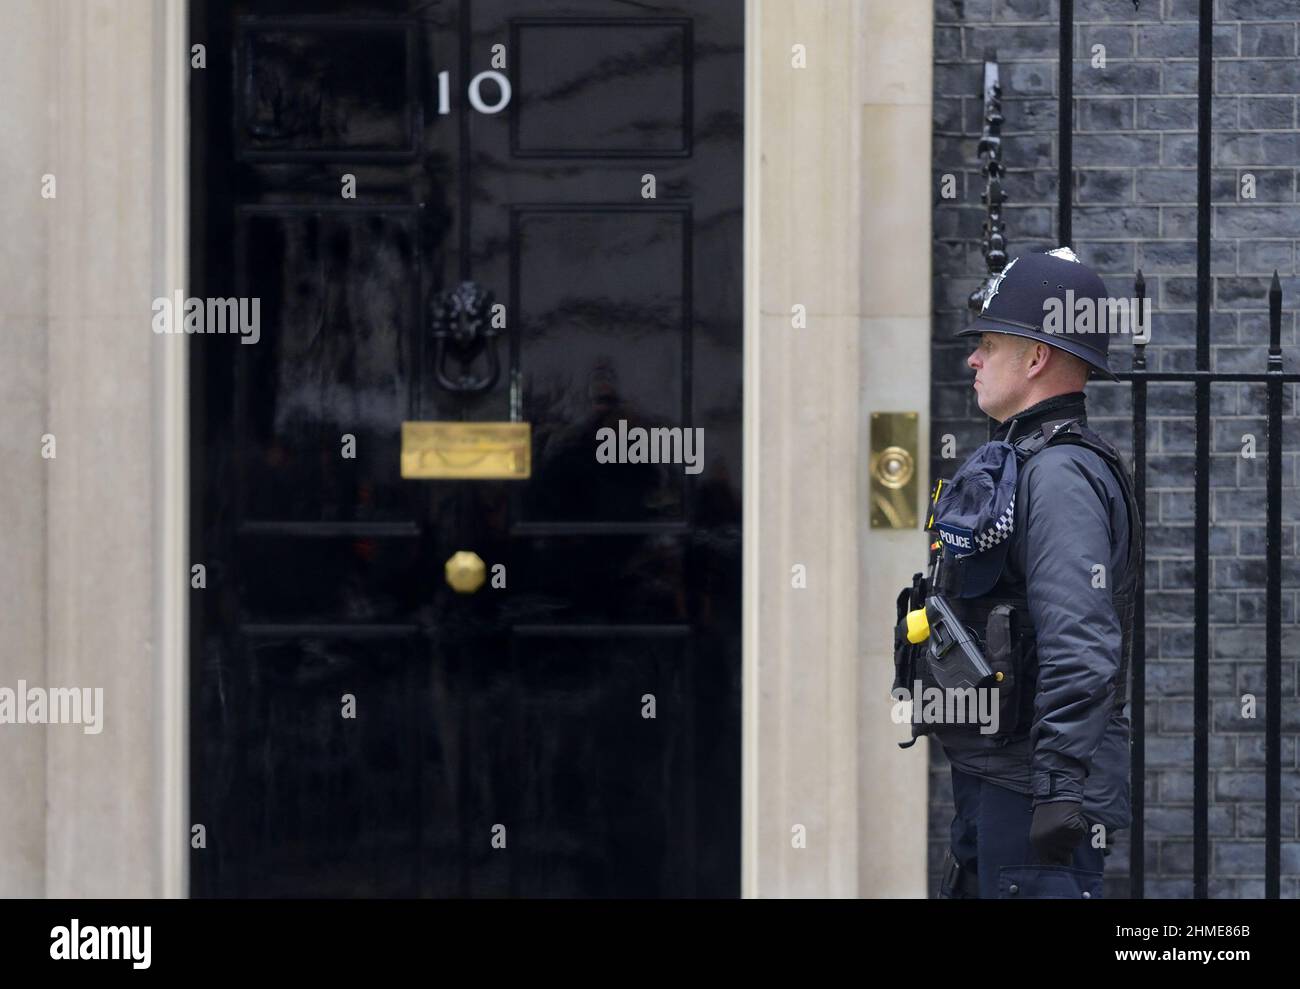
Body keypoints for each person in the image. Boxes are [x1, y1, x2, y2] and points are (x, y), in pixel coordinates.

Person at [925, 247, 1144, 899]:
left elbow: (1081, 641)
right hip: (1002, 785)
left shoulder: (1059, 476)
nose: (973, 359)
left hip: (1030, 797)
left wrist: (1058, 787)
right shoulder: (1029, 459)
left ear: (1037, 356)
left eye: (988, 343)